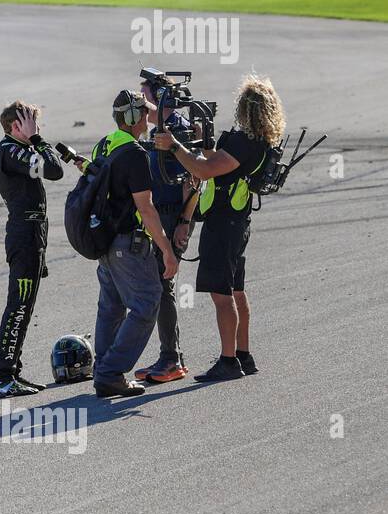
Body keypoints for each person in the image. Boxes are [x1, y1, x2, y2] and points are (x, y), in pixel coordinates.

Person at [154, 75, 285, 382]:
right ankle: (243, 354)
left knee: (221, 293)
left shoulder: (243, 142)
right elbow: (215, 161)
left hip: (223, 226)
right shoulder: (259, 142)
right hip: (237, 223)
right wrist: (204, 140)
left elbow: (203, 170)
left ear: (245, 108)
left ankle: (228, 361)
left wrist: (174, 146)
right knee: (236, 288)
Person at [89, 90, 178, 398]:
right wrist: (166, 249)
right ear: (135, 118)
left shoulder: (105, 144)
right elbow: (146, 208)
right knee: (147, 300)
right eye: (143, 113)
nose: (146, 117)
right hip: (128, 243)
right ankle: (111, 372)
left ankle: (104, 367)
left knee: (111, 305)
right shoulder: (135, 154)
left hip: (104, 239)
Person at [0, 102, 66, 398]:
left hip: (33, 234)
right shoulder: (11, 150)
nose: (38, 128)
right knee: (18, 307)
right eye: (32, 122)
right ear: (16, 125)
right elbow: (55, 171)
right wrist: (37, 140)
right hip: (23, 235)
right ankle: (1, 377)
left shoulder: (16, 150)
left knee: (25, 306)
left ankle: (11, 373)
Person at [133, 77, 200, 384]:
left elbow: (194, 180)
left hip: (174, 215)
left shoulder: (179, 131)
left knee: (163, 285)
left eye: (144, 98)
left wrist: (185, 222)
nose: (140, 104)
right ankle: (169, 355)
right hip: (162, 212)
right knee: (161, 286)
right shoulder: (160, 129)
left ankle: (171, 359)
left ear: (161, 99)